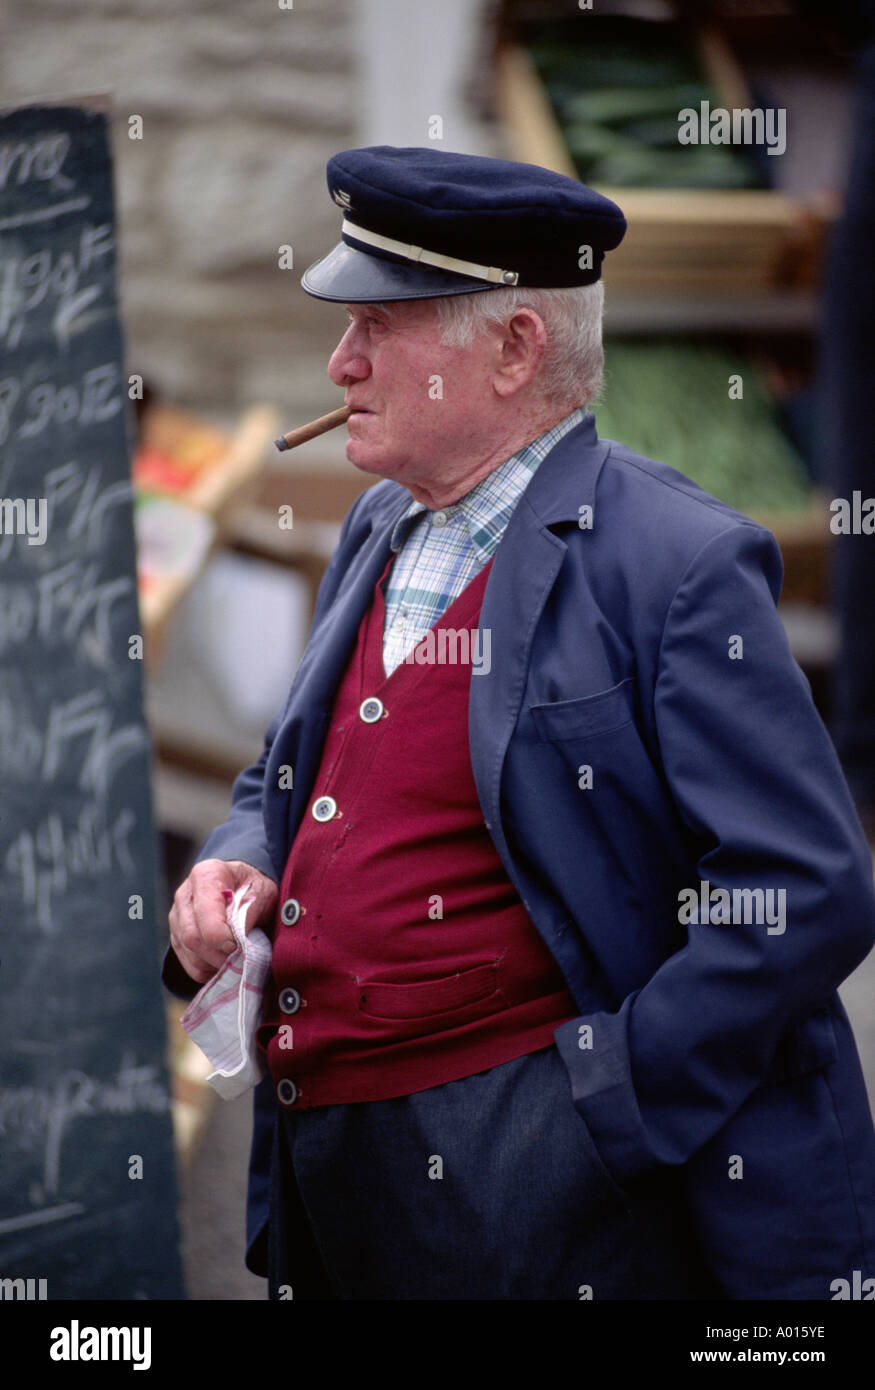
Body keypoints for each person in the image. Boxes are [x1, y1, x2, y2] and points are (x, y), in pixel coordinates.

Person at [164, 145, 875, 1301]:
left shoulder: (675, 564)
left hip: (532, 1198)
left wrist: (601, 1103)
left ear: (513, 350)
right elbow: (291, 773)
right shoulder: (384, 521)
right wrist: (238, 859)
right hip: (331, 1177)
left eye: (378, 328)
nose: (338, 360)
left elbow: (804, 889)